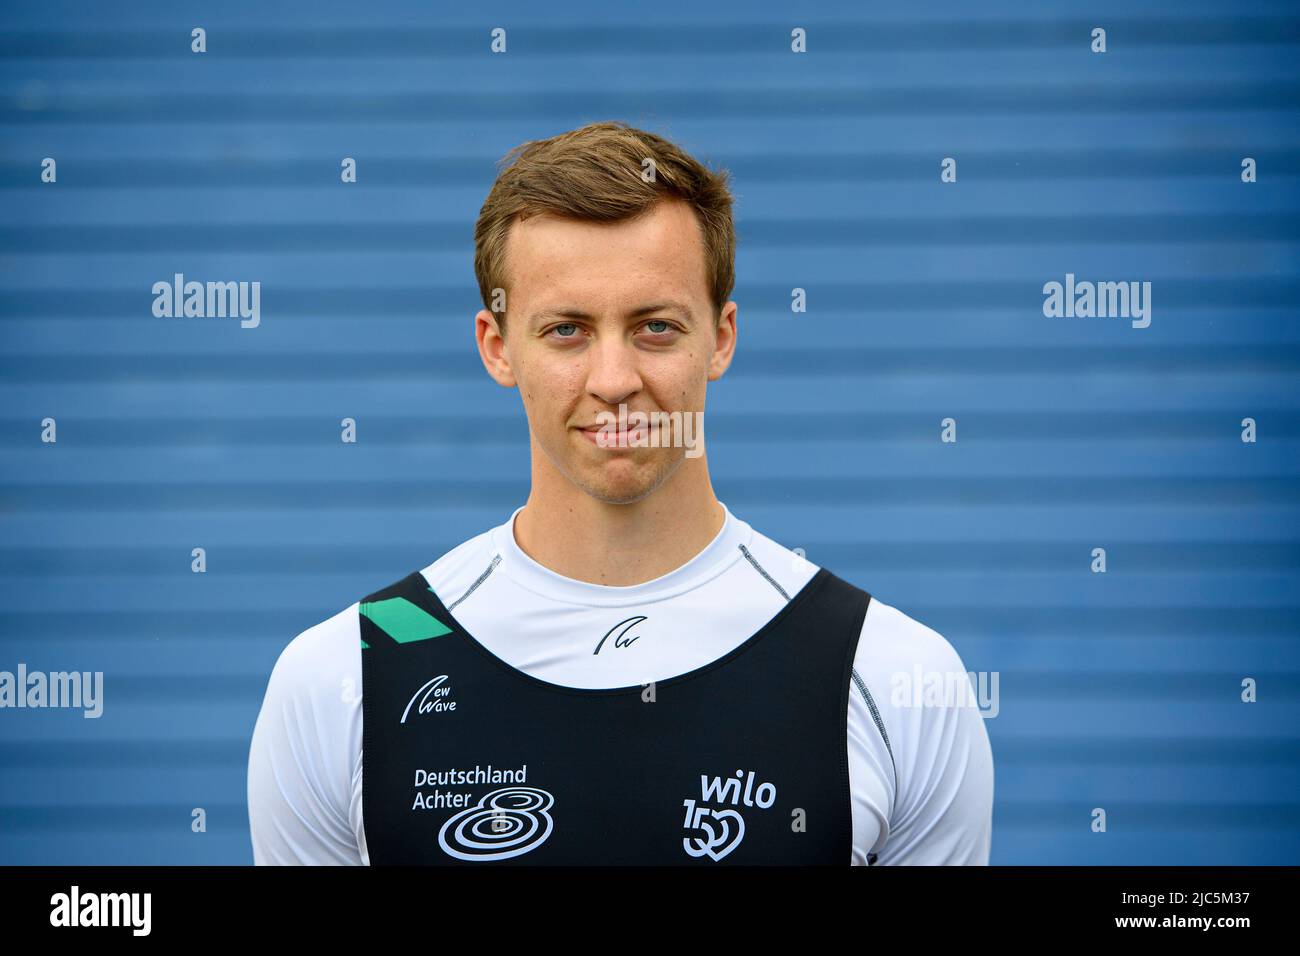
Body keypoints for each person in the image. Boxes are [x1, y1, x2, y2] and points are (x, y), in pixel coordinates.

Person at [247, 121, 993, 865]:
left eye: (656, 327)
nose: (613, 381)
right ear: (497, 347)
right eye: (567, 330)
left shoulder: (887, 673)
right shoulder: (350, 671)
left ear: (722, 338)